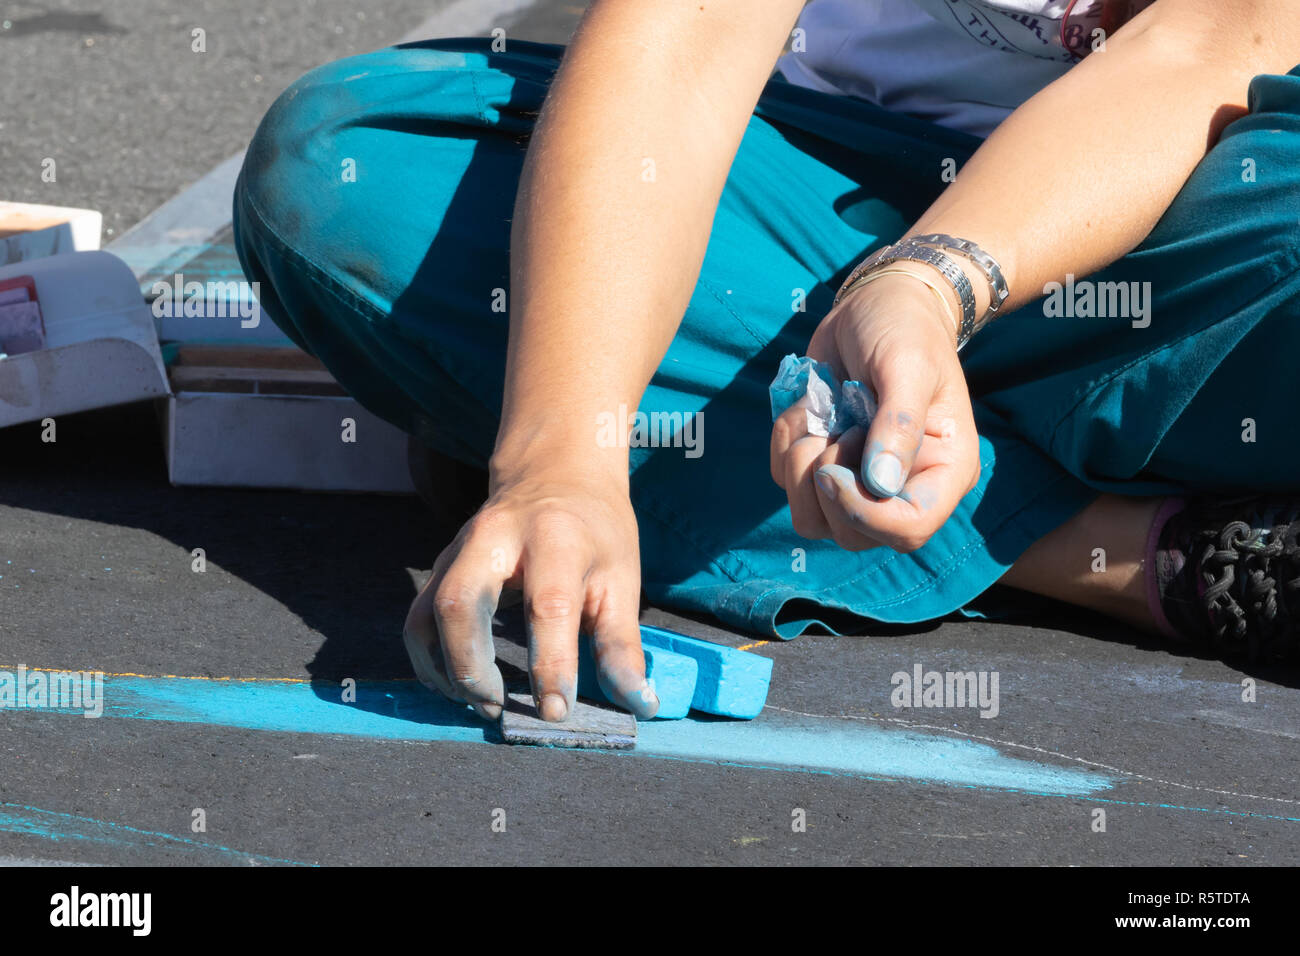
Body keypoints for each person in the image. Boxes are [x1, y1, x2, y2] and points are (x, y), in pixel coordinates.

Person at [233, 0, 1300, 724]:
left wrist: (925, 283)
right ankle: (1140, 549)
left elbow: (1196, 56)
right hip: (804, 196)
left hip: (1178, 225)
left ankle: (695, 433)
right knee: (346, 164)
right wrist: (559, 458)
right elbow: (679, 45)